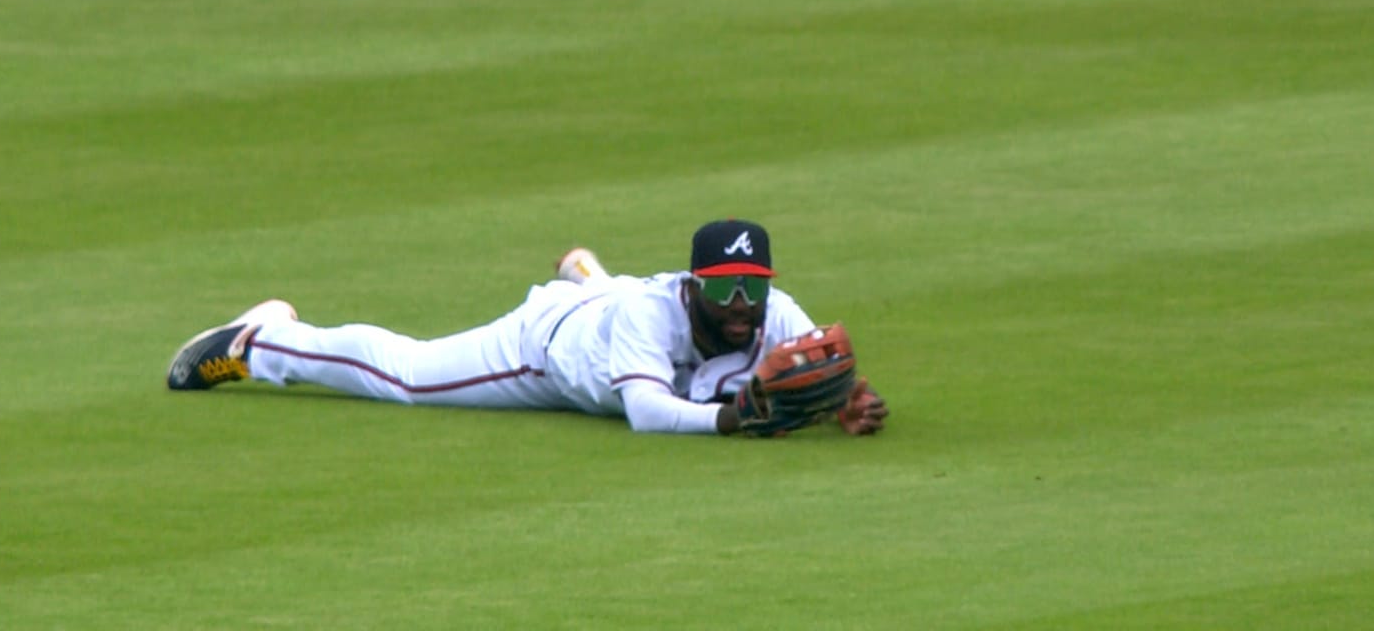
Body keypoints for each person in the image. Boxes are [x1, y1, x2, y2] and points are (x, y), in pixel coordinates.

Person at [166, 219, 888, 436]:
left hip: (615, 304)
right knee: (409, 377)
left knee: (622, 298)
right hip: (549, 347)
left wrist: (840, 400)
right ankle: (261, 341)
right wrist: (734, 421)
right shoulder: (653, 311)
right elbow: (644, 412)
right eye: (725, 289)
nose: (742, 305)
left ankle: (590, 271)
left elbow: (814, 361)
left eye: (753, 289)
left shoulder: (772, 313)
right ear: (696, 285)